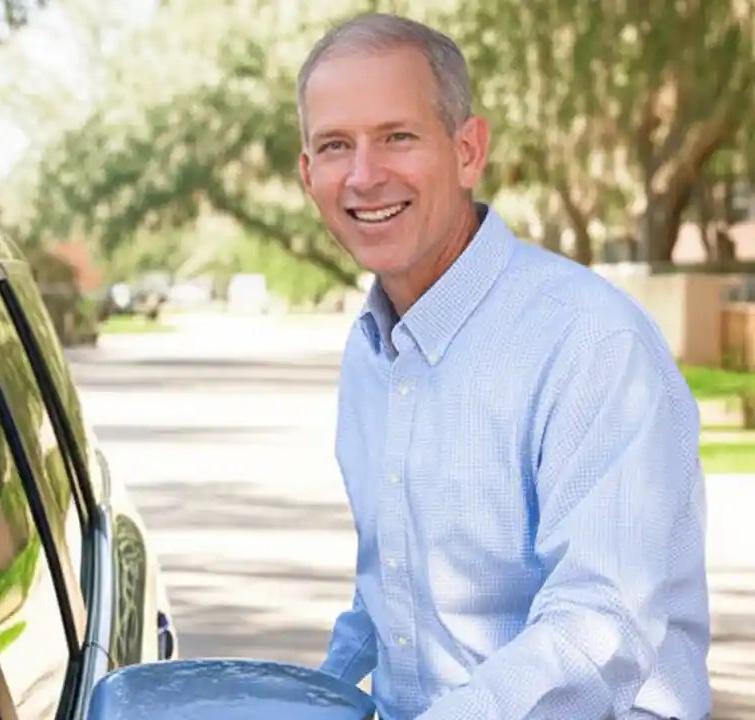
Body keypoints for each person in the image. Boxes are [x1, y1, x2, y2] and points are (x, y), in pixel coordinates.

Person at [296, 12, 711, 720]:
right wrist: (306, 698)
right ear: (308, 174)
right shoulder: (373, 352)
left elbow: (599, 629)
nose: (364, 176)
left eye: (397, 136)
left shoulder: (589, 343)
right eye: (336, 146)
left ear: (467, 150)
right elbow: (387, 590)